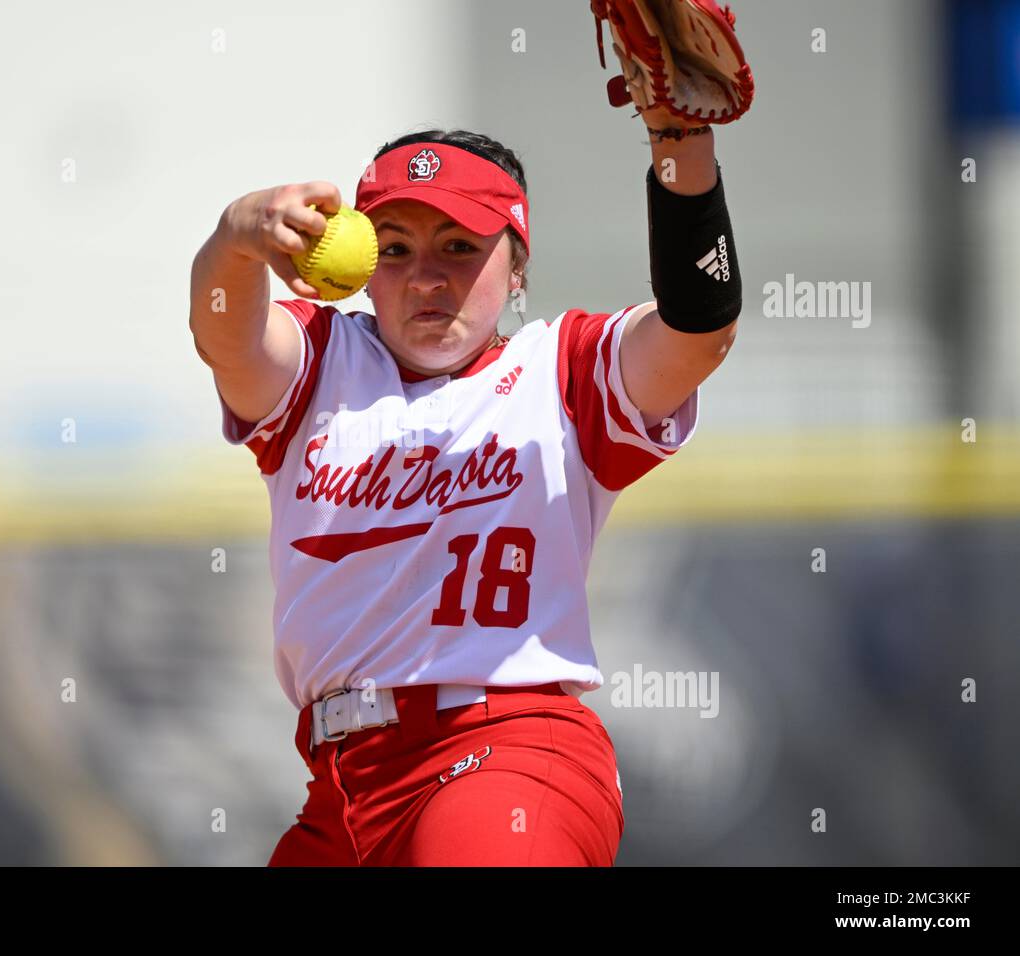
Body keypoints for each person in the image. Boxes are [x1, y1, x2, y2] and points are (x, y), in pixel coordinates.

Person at [188, 100, 740, 865]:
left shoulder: (561, 372)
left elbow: (698, 332)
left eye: (459, 245)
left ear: (517, 266)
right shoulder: (320, 365)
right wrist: (238, 235)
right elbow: (224, 333)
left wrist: (683, 149)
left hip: (508, 751)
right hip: (341, 789)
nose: (426, 278)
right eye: (395, 249)